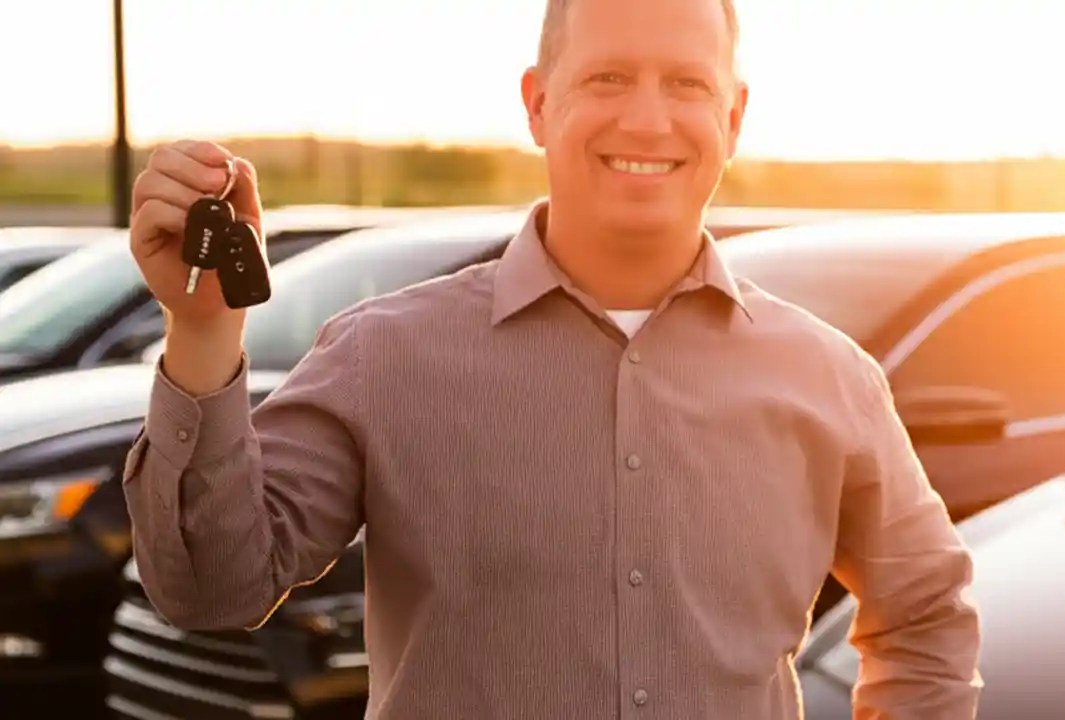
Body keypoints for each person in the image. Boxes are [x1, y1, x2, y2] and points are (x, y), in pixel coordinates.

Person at [123, 0, 982, 717]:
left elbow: (925, 617)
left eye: (686, 82)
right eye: (608, 77)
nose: (647, 119)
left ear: (733, 116)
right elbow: (212, 592)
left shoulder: (831, 379)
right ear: (537, 104)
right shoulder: (384, 357)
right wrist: (203, 332)